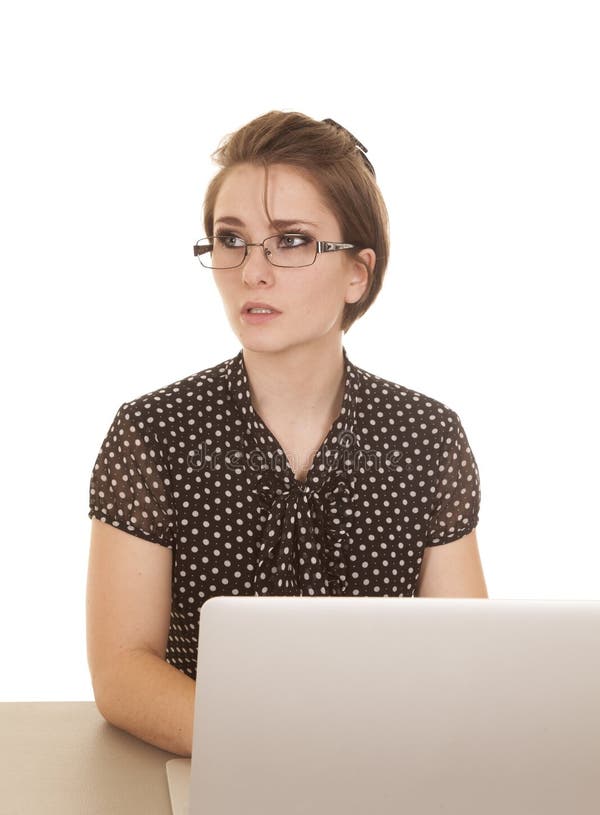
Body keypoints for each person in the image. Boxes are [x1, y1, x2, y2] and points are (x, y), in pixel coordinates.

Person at [86, 110, 488, 757]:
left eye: (292, 240)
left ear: (357, 272)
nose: (252, 271)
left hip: (387, 772)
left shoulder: (426, 438)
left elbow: (466, 664)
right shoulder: (154, 432)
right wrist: (293, 755)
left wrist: (370, 766)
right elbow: (123, 672)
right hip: (209, 770)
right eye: (232, 239)